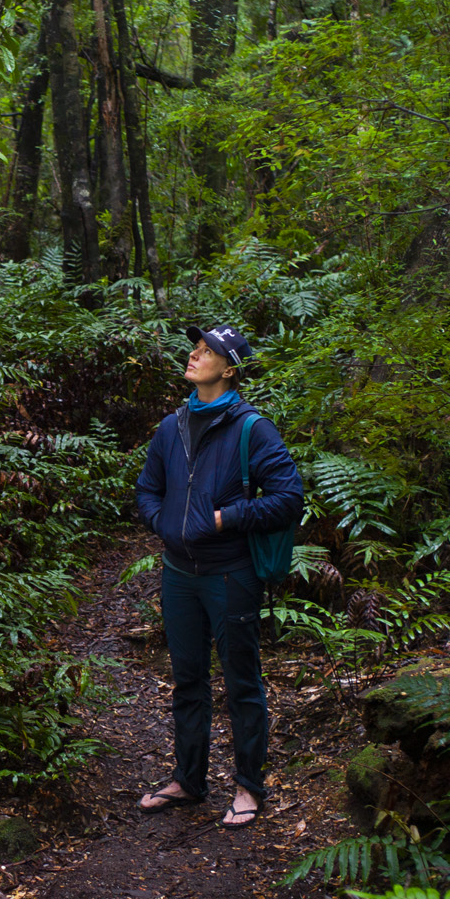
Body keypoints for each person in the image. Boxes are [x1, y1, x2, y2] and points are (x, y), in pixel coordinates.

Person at [132, 324, 305, 827]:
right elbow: (148, 489)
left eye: (208, 351)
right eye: (196, 347)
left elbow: (288, 498)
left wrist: (225, 519)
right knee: (188, 680)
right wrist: (162, 523)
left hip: (230, 574)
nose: (195, 354)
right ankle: (189, 781)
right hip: (178, 574)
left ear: (228, 370)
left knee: (241, 683)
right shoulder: (172, 425)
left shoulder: (253, 428)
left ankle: (249, 787)